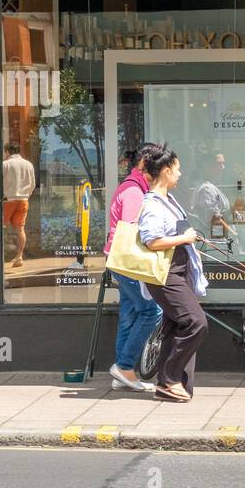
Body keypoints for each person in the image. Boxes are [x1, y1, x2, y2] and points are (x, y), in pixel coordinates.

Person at [138, 146, 209, 403]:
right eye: (177, 169)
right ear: (166, 171)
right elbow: (152, 241)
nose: (180, 173)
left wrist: (188, 237)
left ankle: (170, 386)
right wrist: (185, 237)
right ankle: (169, 377)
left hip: (178, 270)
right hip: (165, 274)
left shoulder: (169, 200)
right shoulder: (153, 204)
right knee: (196, 322)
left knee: (176, 324)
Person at [104, 142, 163, 392]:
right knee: (152, 312)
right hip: (127, 263)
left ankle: (122, 374)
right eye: (158, 166)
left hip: (117, 260)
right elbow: (132, 230)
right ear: (144, 164)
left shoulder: (131, 186)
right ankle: (125, 366)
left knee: (129, 316)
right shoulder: (134, 192)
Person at [2, 142, 35, 267]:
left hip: (7, 199)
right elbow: (32, 184)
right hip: (23, 199)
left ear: (8, 151)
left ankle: (1, 256)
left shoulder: (5, 164)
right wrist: (26, 194)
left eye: (5, 152)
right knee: (20, 229)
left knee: (0, 227)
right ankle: (19, 256)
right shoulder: (28, 165)